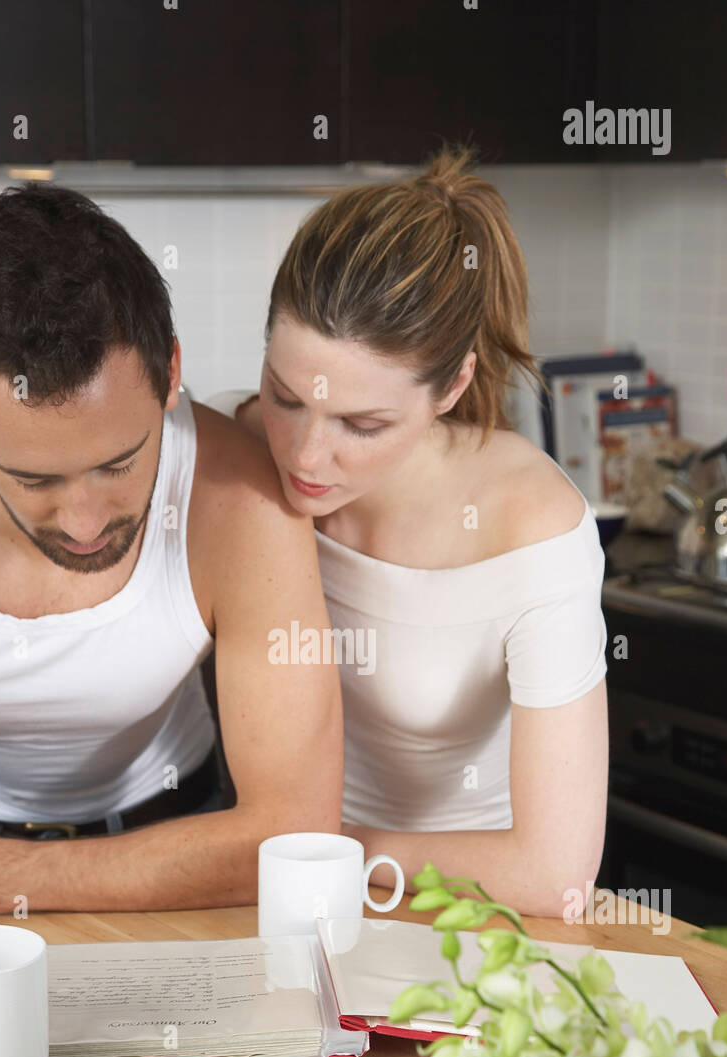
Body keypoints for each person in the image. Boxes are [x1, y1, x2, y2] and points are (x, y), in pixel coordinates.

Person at [0, 181, 343, 944]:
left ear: (171, 372)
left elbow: (296, 834)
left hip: (185, 871)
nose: (88, 521)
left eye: (121, 462)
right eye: (35, 479)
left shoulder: (244, 503)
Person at [208, 144, 609, 919]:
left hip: (468, 920)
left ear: (453, 384)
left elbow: (555, 873)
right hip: (279, 900)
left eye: (363, 424)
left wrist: (289, 850)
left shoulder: (532, 526)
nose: (306, 454)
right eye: (287, 397)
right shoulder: (229, 448)